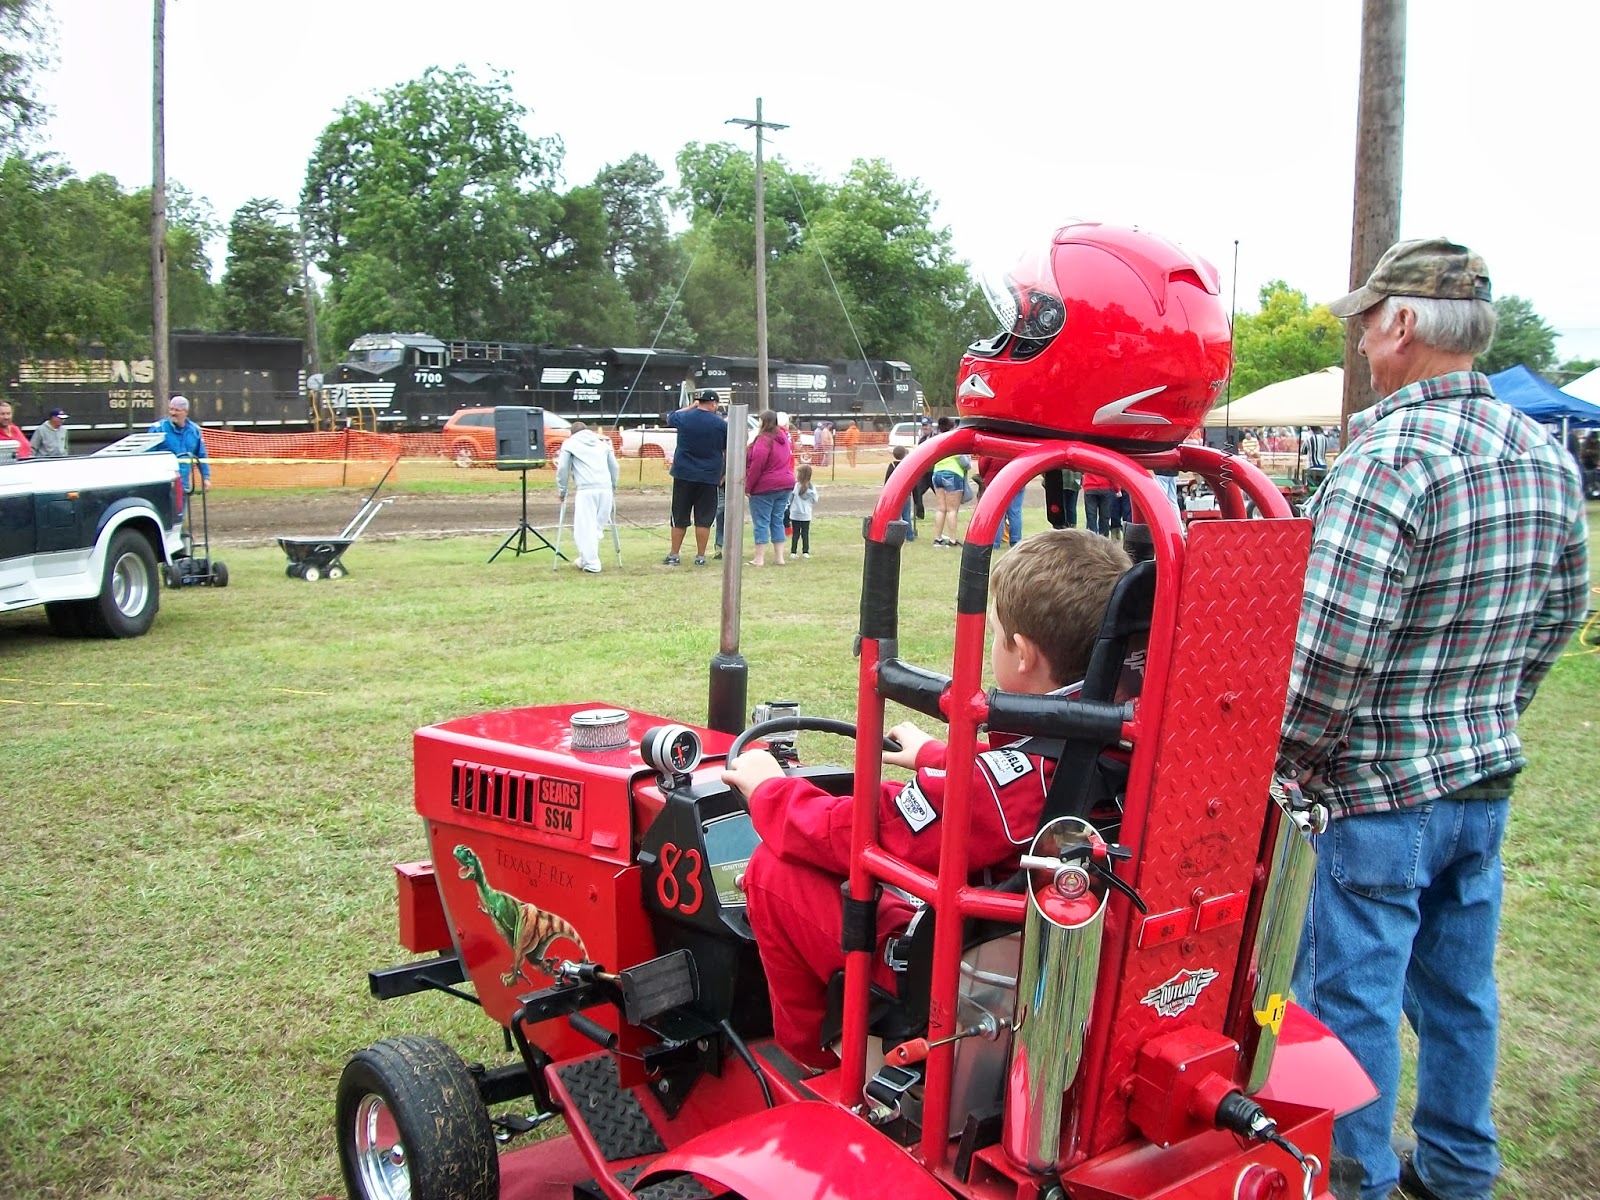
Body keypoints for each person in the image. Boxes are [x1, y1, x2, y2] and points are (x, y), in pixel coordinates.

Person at [1280, 238, 1590, 1200]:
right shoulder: (1542, 453)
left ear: (1402, 325)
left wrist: (1290, 760)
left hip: (1376, 795)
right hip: (1479, 781)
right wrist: (1494, 710)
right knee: (1460, 992)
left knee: (1349, 1000)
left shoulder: (1386, 458)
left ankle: (1357, 1179)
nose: (1364, 344)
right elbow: (1560, 613)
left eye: (1369, 322)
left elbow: (1330, 649)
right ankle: (1459, 1168)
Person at [723, 529, 1132, 1067]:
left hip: (963, 980)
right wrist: (936, 756)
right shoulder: (1122, 738)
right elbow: (1021, 783)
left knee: (772, 871)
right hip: (1057, 956)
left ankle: (813, 1061)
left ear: (1022, 654)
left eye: (996, 635)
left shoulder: (1010, 782)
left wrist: (769, 789)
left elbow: (873, 828)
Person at [663, 390, 727, 566]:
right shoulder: (720, 424)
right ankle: (700, 556)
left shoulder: (685, 418)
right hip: (708, 476)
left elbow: (670, 417)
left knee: (679, 515)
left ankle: (674, 554)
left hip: (683, 474)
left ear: (700, 402)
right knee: (704, 518)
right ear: (714, 404)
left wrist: (692, 406)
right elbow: (726, 448)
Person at [555, 421, 619, 574]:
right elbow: (614, 467)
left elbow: (563, 468)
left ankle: (592, 564)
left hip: (586, 490)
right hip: (606, 490)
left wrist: (562, 490)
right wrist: (613, 486)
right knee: (596, 527)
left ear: (572, 433)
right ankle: (585, 558)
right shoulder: (603, 443)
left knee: (585, 528)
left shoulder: (570, 444)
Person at [745, 410, 796, 567]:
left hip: (765, 486)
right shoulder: (783, 439)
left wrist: (748, 486)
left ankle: (759, 558)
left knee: (761, 521)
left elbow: (757, 465)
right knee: (777, 520)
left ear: (763, 422)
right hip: (785, 483)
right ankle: (779, 557)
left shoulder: (763, 440)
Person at [148, 395, 210, 492]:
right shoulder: (158, 429)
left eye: (177, 410)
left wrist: (205, 477)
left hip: (183, 485)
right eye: (171, 409)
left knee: (182, 507)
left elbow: (201, 455)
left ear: (186, 412)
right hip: (161, 485)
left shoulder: (195, 431)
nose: (173, 413)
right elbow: (148, 457)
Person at [928, 416, 969, 546]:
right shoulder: (953, 439)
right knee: (952, 510)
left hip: (937, 473)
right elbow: (961, 460)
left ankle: (938, 538)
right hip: (953, 473)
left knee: (941, 508)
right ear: (952, 427)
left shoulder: (935, 440)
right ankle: (952, 540)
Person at [977, 455, 1024, 548]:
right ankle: (1016, 541)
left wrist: (983, 475)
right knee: (1015, 513)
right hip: (1017, 478)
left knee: (997, 514)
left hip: (995, 481)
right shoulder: (1019, 443)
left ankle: (995, 542)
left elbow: (983, 463)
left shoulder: (992, 444)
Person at [885, 445, 917, 540]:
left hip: (894, 495)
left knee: (895, 516)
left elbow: (887, 481)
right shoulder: (908, 465)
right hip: (906, 494)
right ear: (905, 454)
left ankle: (895, 535)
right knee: (906, 515)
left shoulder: (892, 466)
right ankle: (910, 535)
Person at [789, 464, 818, 558]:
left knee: (795, 533)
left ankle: (793, 552)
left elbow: (790, 499)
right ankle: (805, 551)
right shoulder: (812, 487)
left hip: (795, 513)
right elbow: (815, 500)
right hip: (806, 514)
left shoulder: (796, 486)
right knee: (805, 533)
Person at [1081, 471, 1116, 536]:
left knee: (1091, 516)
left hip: (1089, 486)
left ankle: (1091, 538)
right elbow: (1111, 474)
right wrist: (1117, 488)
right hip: (1105, 488)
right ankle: (1104, 538)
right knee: (1105, 516)